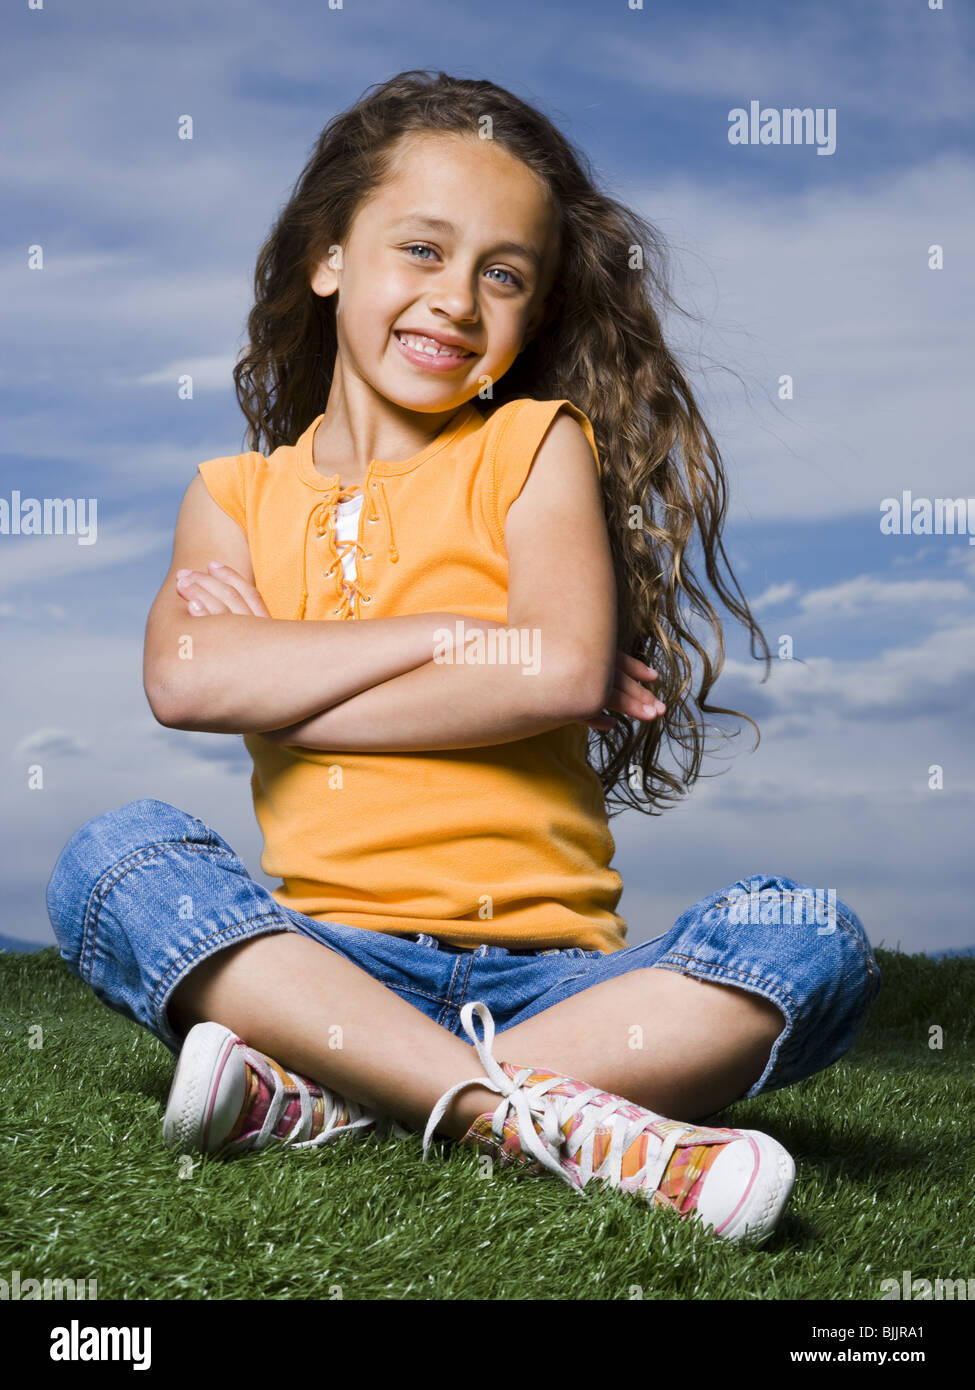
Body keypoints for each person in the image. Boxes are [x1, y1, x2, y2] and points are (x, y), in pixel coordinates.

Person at [46, 69, 882, 1245]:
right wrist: (449, 634)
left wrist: (289, 683)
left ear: (534, 314)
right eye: (422, 250)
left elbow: (556, 673)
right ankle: (535, 1113)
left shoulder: (537, 447)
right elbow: (186, 682)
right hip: (322, 962)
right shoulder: (232, 498)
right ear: (327, 258)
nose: (455, 300)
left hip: (557, 980)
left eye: (503, 273)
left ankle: (345, 1097)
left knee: (813, 936)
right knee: (111, 860)